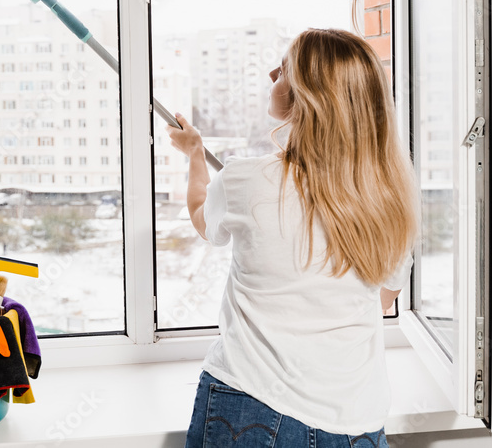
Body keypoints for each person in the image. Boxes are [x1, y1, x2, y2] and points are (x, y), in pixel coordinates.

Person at [167, 28, 418, 448]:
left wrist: (194, 155)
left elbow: (201, 219)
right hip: (356, 421)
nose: (271, 75)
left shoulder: (245, 179)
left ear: (308, 95)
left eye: (283, 69)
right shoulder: (393, 196)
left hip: (250, 404)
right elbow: (382, 297)